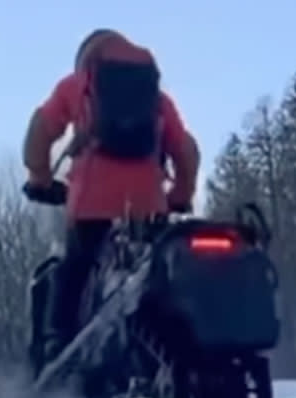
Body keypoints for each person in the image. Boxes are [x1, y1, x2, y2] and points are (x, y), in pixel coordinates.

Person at [22, 28, 201, 372]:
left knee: (73, 268)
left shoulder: (77, 86)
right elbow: (186, 150)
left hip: (92, 205)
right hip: (149, 210)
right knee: (160, 278)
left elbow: (39, 132)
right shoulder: (157, 100)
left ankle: (56, 345)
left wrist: (40, 177)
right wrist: (180, 194)